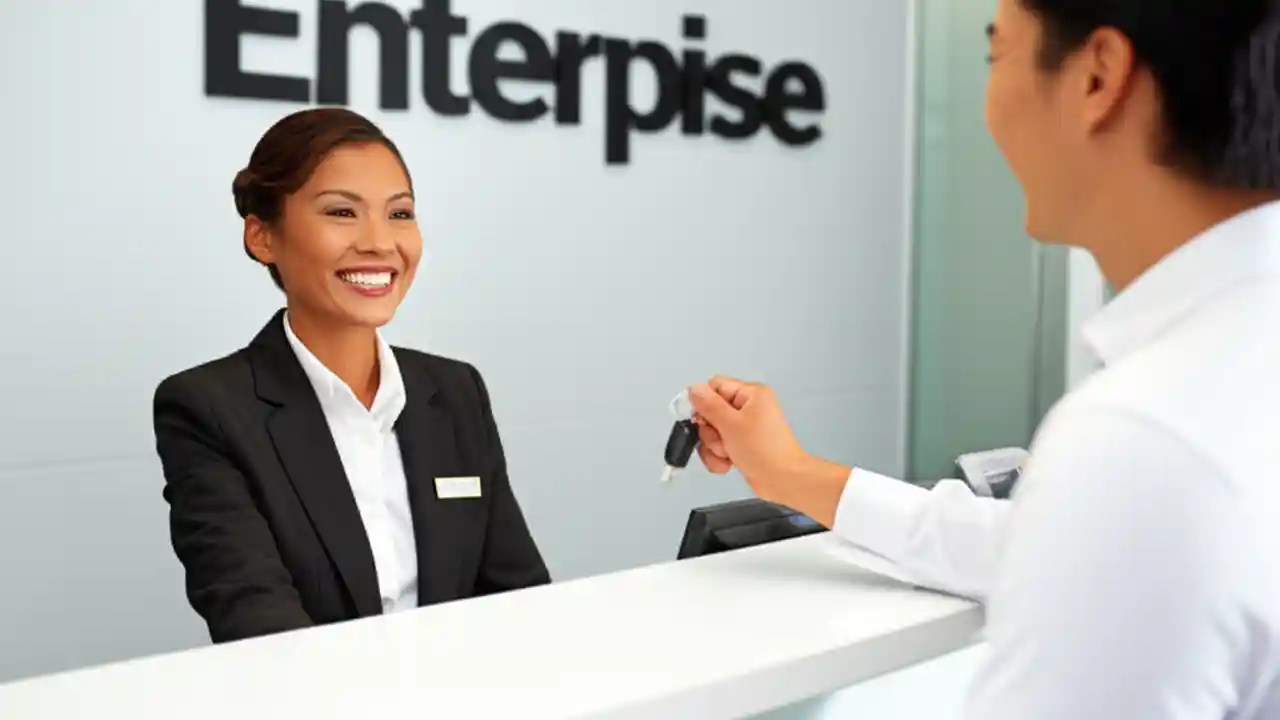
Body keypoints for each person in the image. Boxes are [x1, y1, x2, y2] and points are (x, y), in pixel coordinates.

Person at [689, 0, 1280, 716]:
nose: (987, 108)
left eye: (996, 56)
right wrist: (796, 475)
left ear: (1098, 77)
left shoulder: (1144, 438)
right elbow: (1035, 549)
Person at [153, 108, 549, 644]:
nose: (380, 242)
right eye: (342, 212)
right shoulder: (208, 408)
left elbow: (518, 601)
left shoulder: (454, 391)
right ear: (262, 237)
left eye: (400, 214)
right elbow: (259, 627)